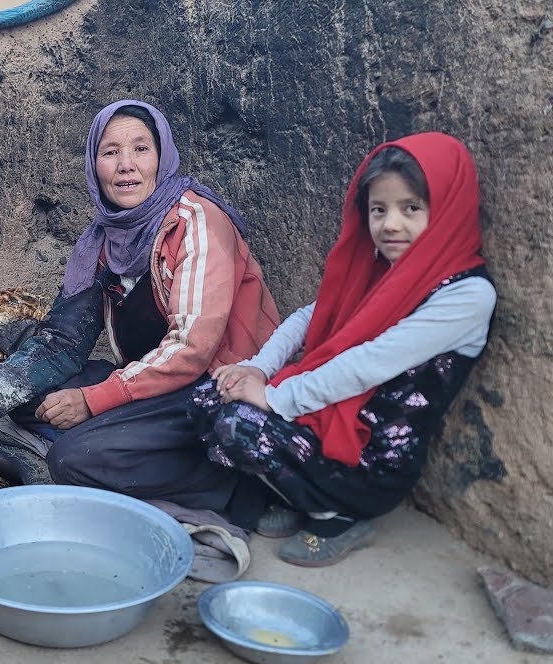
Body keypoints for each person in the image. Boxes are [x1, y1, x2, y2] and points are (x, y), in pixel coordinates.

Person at [0, 100, 280, 514]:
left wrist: (94, 401)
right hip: (150, 381)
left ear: (162, 157)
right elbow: (63, 342)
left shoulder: (196, 222)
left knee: (72, 459)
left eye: (141, 149)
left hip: (216, 385)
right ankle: (129, 449)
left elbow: (192, 348)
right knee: (23, 396)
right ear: (95, 166)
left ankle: (235, 485)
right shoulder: (105, 239)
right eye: (110, 152)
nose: (126, 165)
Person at [189, 132, 497, 567]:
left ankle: (339, 515)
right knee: (209, 396)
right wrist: (257, 370)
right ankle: (300, 495)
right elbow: (305, 320)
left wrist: (274, 398)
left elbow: (369, 364)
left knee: (239, 425)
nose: (391, 224)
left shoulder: (467, 295)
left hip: (370, 462)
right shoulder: (382, 272)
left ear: (448, 209)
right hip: (325, 423)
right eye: (379, 210)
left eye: (411, 208)